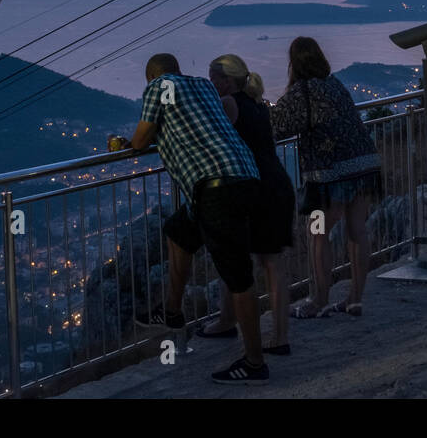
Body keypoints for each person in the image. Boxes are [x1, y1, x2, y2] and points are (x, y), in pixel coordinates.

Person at [122, 53, 268, 384]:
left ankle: (256, 363)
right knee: (179, 231)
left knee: (238, 277)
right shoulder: (202, 86)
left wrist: (130, 143)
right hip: (244, 176)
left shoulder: (158, 86)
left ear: (152, 77)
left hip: (218, 189)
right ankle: (172, 311)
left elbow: (141, 139)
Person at [270, 37, 383, 318]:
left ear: (293, 63)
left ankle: (319, 299)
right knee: (357, 229)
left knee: (317, 233)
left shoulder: (301, 93)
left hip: (330, 175)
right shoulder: (334, 84)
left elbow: (277, 127)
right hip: (365, 165)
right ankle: (354, 299)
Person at [198, 55, 295, 355]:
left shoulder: (229, 104)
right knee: (270, 262)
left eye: (212, 78)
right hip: (276, 184)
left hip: (254, 187)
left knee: (240, 258)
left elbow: (212, 139)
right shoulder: (259, 104)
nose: (210, 84)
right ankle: (277, 336)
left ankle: (234, 323)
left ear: (225, 80)